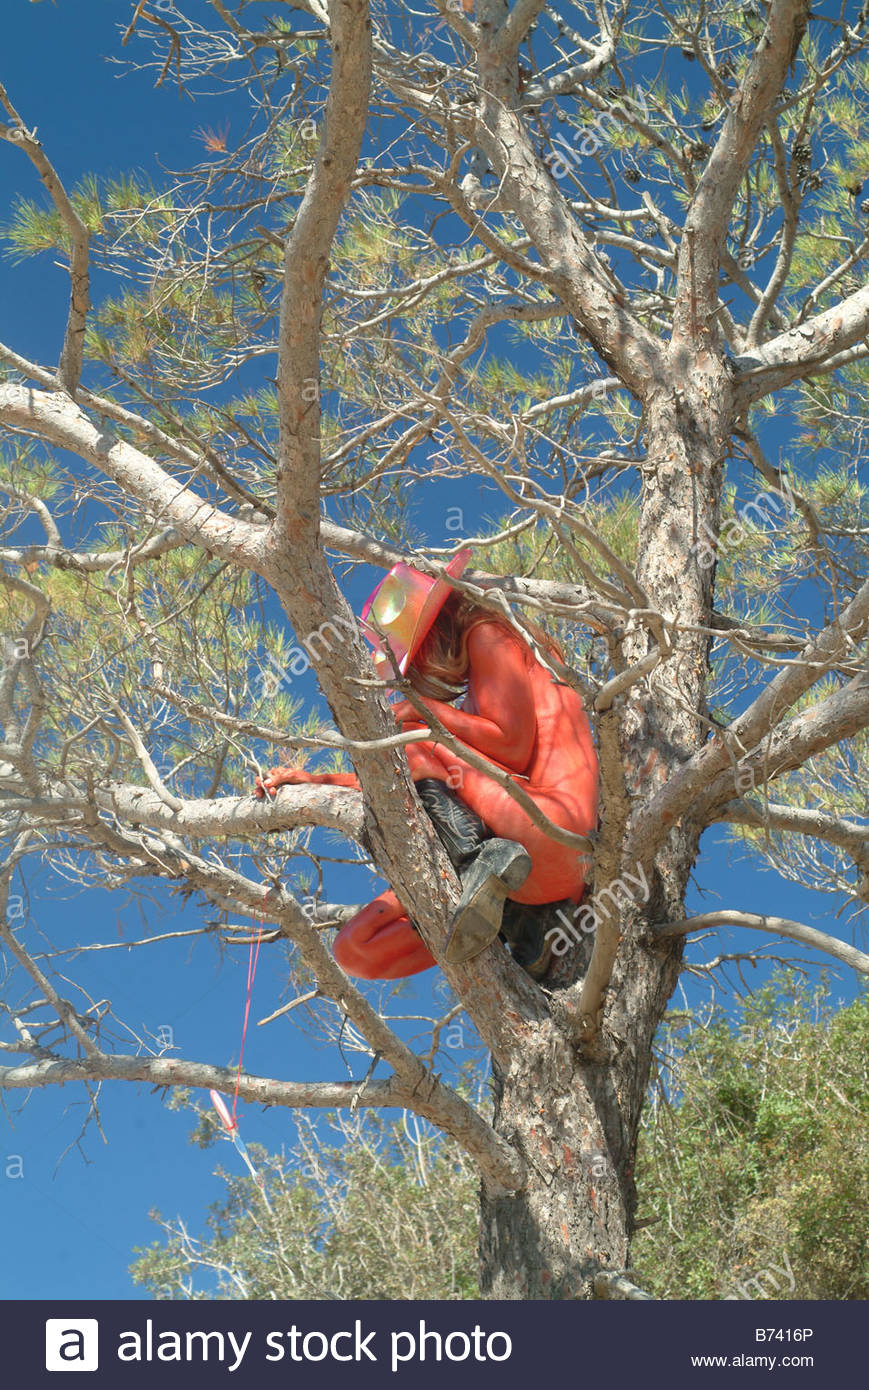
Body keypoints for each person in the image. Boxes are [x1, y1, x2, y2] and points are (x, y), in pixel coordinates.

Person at [256, 551, 599, 981]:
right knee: (357, 949)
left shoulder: (487, 631)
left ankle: (480, 868)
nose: (421, 671)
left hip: (549, 831)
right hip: (538, 871)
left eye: (415, 656)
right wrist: (317, 780)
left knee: (417, 746)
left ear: (436, 625)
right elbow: (413, 774)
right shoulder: (475, 704)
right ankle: (516, 922)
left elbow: (510, 747)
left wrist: (421, 712)